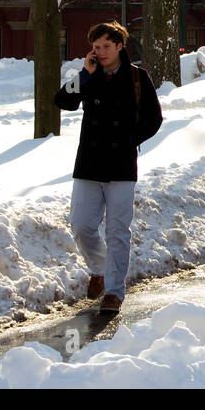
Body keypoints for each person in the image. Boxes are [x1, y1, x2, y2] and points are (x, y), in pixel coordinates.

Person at [54, 21, 163, 316]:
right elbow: (63, 101)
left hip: (121, 164)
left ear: (119, 46)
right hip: (89, 162)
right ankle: (99, 268)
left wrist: (130, 139)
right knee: (81, 225)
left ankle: (114, 292)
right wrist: (84, 75)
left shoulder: (138, 77)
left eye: (105, 46)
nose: (100, 52)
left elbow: (154, 119)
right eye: (96, 47)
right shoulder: (89, 76)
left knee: (117, 231)